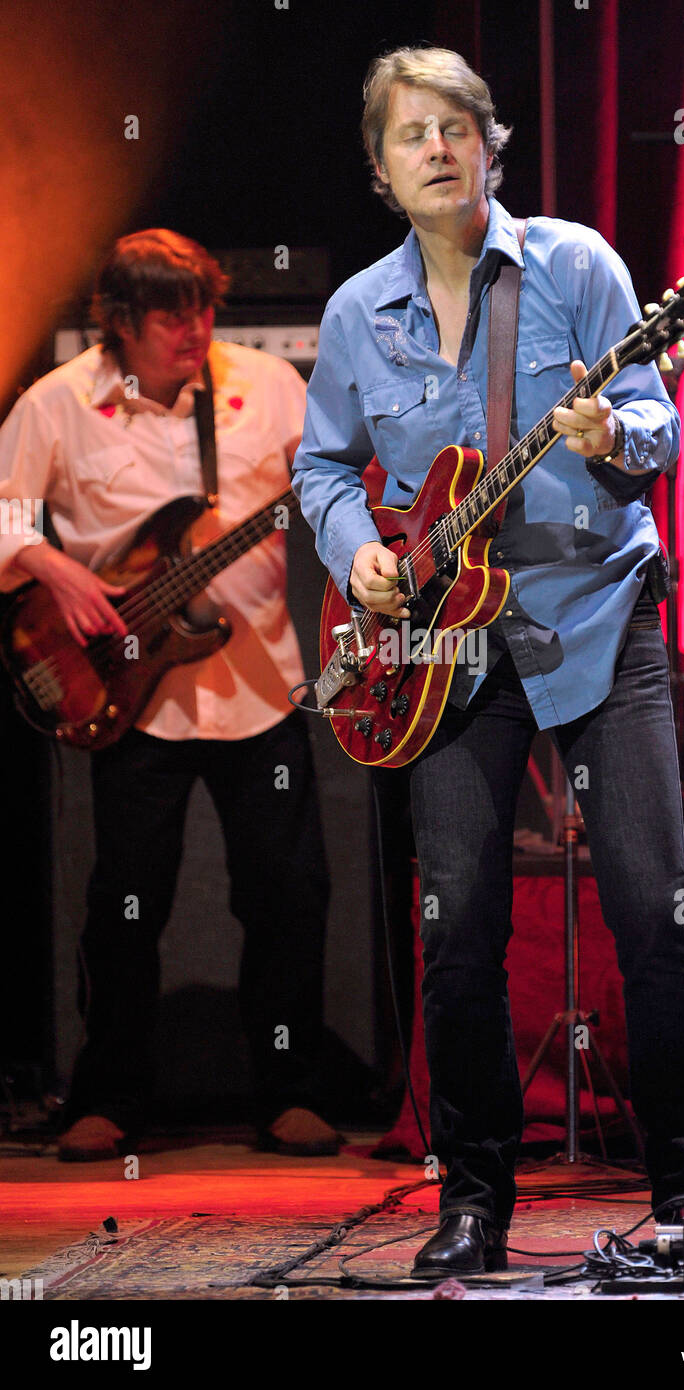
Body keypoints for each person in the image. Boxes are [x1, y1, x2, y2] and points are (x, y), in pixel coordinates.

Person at [292, 47, 684, 1276]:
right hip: (443, 649)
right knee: (459, 928)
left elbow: (656, 414)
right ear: (381, 170)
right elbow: (322, 469)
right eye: (409, 134)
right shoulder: (354, 314)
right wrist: (358, 555)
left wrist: (611, 432)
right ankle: (472, 1201)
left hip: (594, 619)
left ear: (492, 146)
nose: (436, 149)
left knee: (653, 911)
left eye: (456, 128)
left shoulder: (578, 265)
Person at [0, 229, 336, 1159]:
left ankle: (290, 1090)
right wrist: (50, 568)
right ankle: (107, 1098)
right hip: (132, 689)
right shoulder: (57, 404)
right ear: (120, 322)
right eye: (167, 316)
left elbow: (339, 480)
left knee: (287, 894)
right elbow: (3, 508)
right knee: (126, 903)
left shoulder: (266, 387)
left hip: (259, 681)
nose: (193, 331)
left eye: (202, 308)